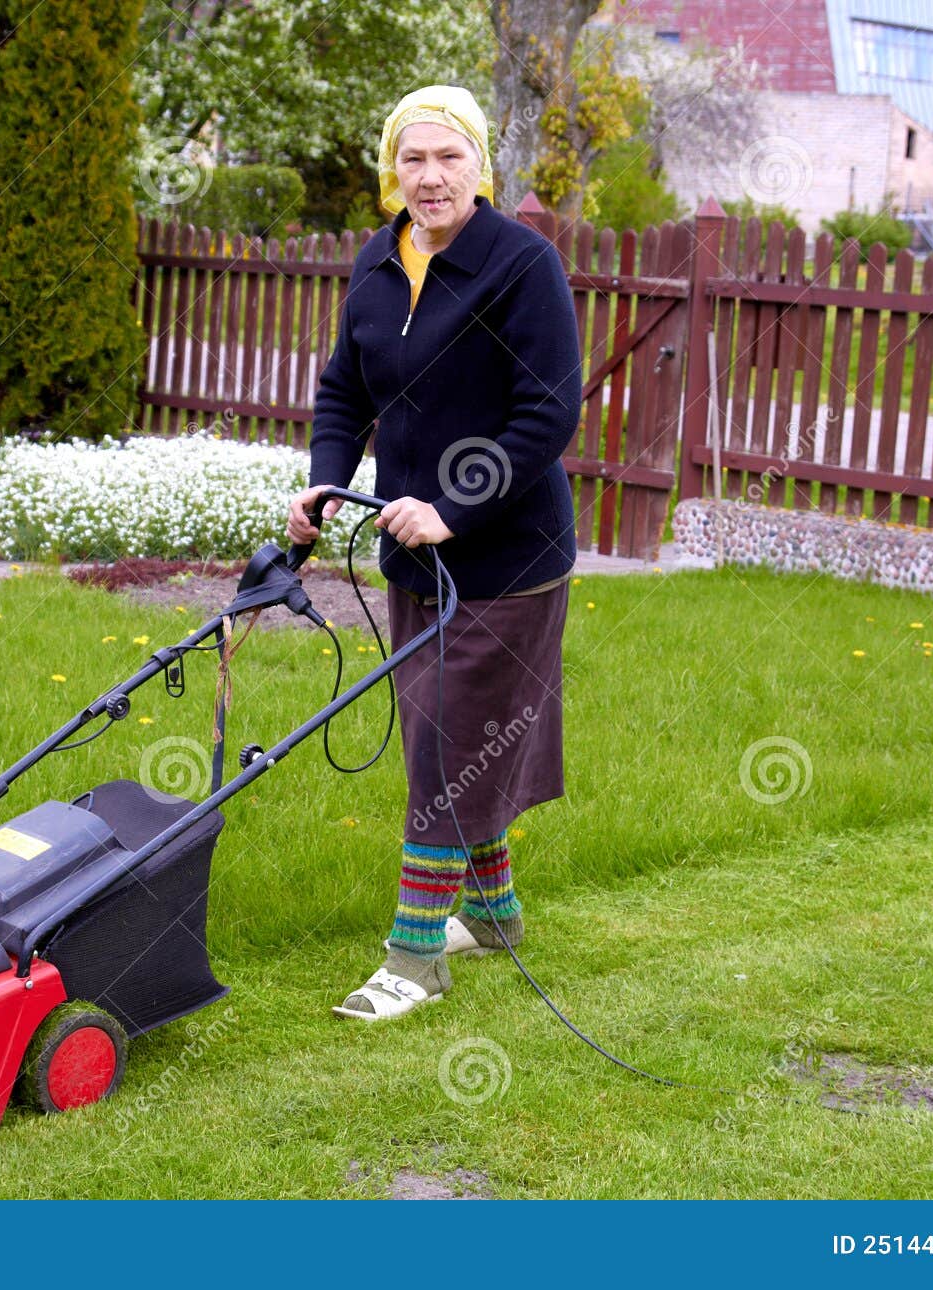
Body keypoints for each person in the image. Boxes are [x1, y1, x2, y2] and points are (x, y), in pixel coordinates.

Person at [285, 84, 583, 1021]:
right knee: (440, 737)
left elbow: (549, 412)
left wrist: (454, 506)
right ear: (392, 170)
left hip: (507, 561)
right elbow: (344, 391)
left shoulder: (521, 266)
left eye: (449, 157)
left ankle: (416, 956)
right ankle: (492, 915)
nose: (430, 176)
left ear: (480, 166)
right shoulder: (379, 263)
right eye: (412, 158)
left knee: (447, 746)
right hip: (412, 557)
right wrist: (327, 481)